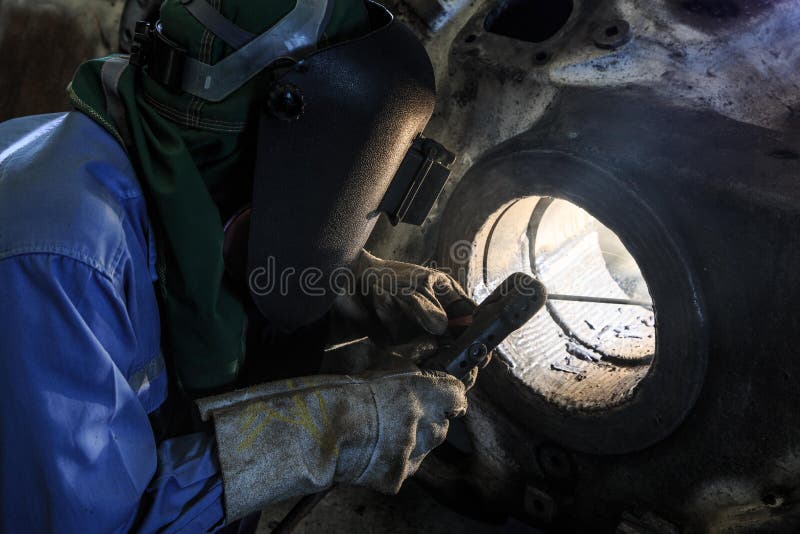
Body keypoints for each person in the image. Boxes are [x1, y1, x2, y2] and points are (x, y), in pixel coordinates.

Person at [0, 0, 480, 531]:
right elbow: (100, 523)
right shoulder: (59, 267)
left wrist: (342, 284)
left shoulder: (170, 169)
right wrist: (331, 434)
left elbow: (198, 275)